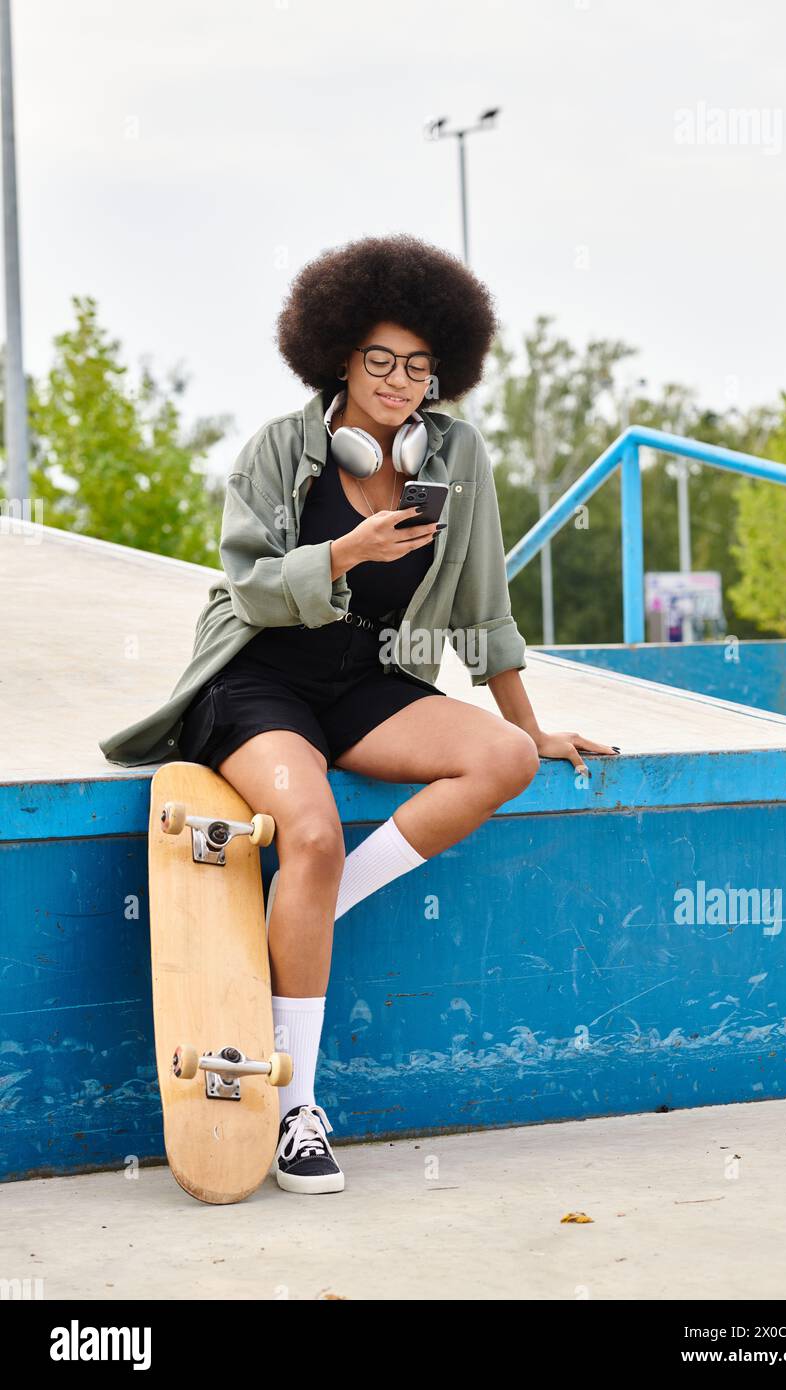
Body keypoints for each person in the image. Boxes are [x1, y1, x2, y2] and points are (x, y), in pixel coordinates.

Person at [101, 232, 619, 1194]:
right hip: (256, 678)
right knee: (311, 828)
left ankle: (317, 901)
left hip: (366, 680)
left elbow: (482, 607)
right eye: (380, 360)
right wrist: (348, 554)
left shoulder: (457, 455)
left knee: (501, 759)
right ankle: (298, 1105)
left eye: (420, 367)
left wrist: (533, 724)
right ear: (338, 355)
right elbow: (250, 587)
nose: (398, 381)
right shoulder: (278, 451)